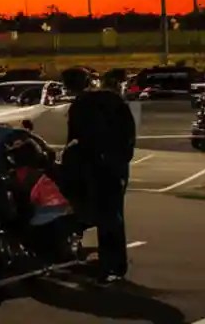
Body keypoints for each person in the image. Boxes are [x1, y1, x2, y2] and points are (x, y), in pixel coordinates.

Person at [66, 71, 135, 283]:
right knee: (113, 215)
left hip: (95, 165)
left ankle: (108, 265)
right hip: (116, 165)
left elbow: (74, 140)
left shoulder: (79, 106)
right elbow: (129, 132)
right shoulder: (114, 101)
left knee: (102, 215)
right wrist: (123, 157)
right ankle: (116, 264)